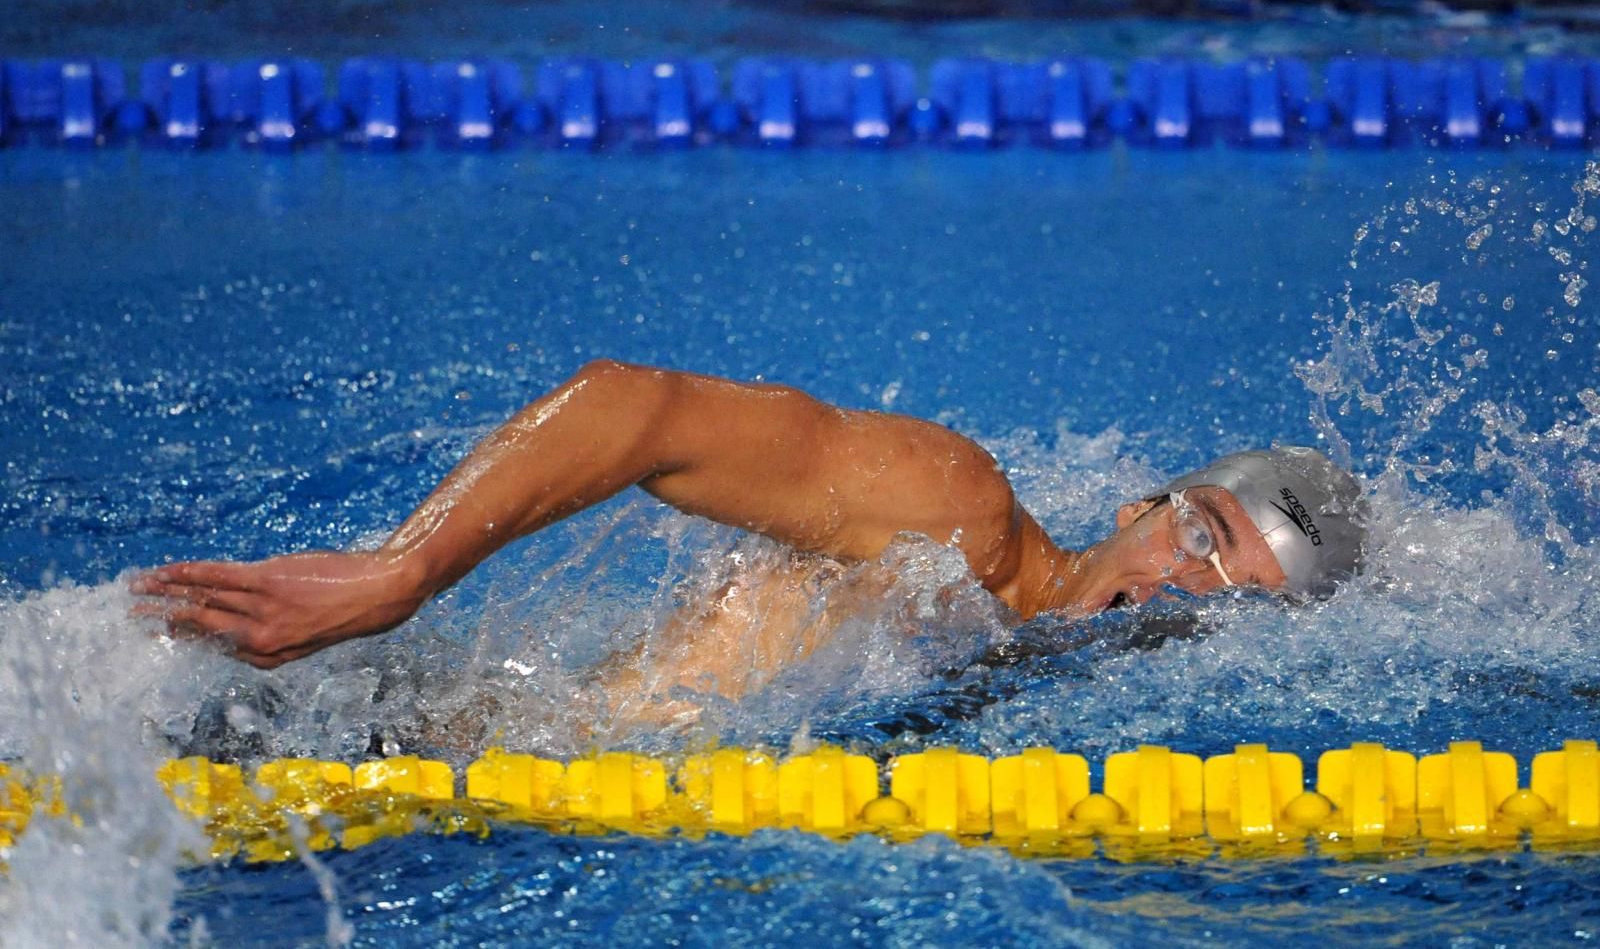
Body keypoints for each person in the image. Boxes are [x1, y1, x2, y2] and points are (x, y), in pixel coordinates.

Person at [131, 360, 1366, 708]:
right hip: (410, 749)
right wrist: (401, 573)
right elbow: (635, 408)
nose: (1185, 588)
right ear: (1137, 505)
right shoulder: (960, 518)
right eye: (1198, 535)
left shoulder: (1037, 671)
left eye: (1234, 596)